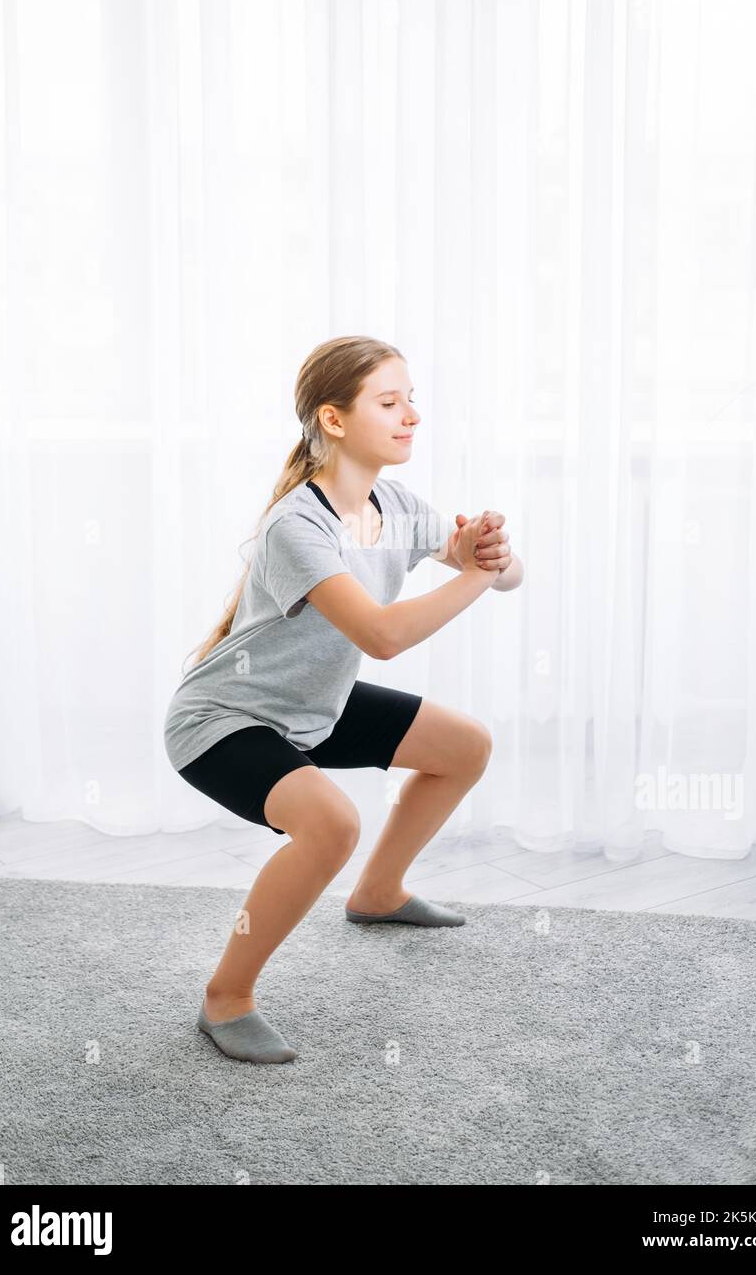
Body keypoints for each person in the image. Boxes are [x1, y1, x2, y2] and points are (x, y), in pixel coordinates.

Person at [163, 335, 522, 1062]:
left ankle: (379, 894)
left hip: (312, 705)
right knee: (329, 824)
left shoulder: (396, 502)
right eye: (389, 402)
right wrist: (476, 578)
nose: (411, 415)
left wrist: (490, 554)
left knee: (465, 747)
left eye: (411, 399)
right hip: (225, 718)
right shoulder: (299, 524)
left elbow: (497, 573)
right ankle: (225, 998)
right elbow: (383, 636)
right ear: (333, 419)